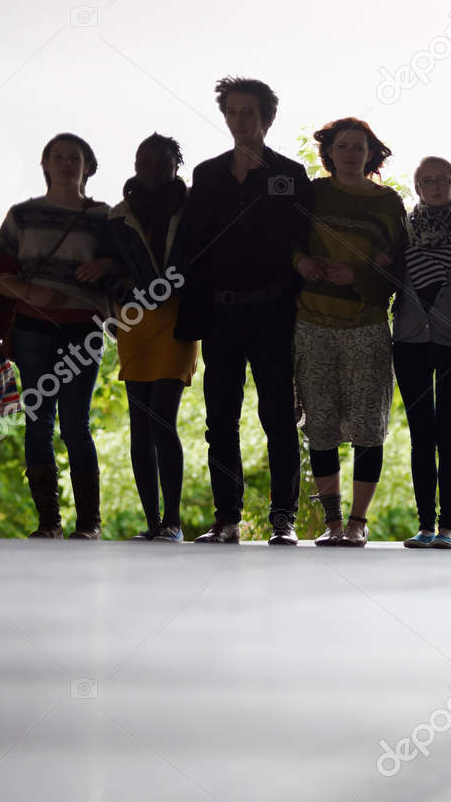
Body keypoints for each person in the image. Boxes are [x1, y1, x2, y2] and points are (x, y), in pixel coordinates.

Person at [174, 76, 313, 545]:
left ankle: (282, 520)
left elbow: (304, 241)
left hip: (274, 312)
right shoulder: (207, 174)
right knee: (220, 420)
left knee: (277, 417)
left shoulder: (289, 175)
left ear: (267, 118)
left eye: (248, 112)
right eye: (232, 112)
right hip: (219, 315)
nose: (240, 120)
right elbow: (190, 245)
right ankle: (227, 519)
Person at [0, 134, 115, 538]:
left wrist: (106, 263)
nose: (64, 164)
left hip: (83, 327)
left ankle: (90, 524)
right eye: (57, 157)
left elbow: (126, 266)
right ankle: (49, 523)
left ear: (87, 166)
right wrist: (30, 292)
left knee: (76, 421)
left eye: (73, 158)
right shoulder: (22, 216)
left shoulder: (102, 217)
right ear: (44, 164)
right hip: (32, 327)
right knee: (39, 420)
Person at [292, 117, 407, 547]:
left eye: (359, 146)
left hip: (366, 325)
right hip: (311, 321)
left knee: (367, 424)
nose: (350, 153)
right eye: (343, 145)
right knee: (318, 422)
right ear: (329, 151)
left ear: (371, 152)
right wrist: (299, 262)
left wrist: (357, 274)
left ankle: (359, 523)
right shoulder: (312, 194)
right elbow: (285, 241)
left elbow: (398, 268)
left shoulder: (388, 203)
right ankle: (333, 524)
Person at [107, 133, 199, 542]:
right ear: (135, 163)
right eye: (145, 160)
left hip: (179, 319)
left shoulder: (195, 207)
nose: (153, 168)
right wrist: (121, 278)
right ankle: (152, 522)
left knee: (163, 418)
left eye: (162, 161)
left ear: (177, 164)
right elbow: (109, 266)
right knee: (139, 424)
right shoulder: (118, 216)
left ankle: (174, 522)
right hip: (135, 321)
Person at [394, 156, 451, 550]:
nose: (436, 186)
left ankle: (448, 528)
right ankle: (425, 525)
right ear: (418, 187)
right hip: (408, 341)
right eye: (427, 181)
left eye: (443, 179)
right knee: (421, 437)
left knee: (449, 435)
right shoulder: (403, 232)